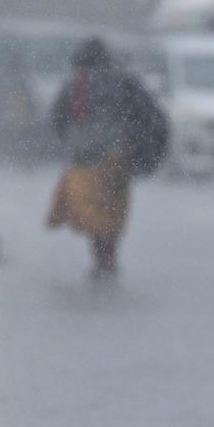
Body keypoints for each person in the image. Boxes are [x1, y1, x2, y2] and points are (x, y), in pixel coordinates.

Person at [47, 38, 163, 279]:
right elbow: (146, 115)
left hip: (84, 158)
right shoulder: (125, 83)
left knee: (92, 211)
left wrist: (73, 140)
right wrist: (139, 147)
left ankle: (101, 256)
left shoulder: (75, 84)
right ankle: (107, 255)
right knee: (111, 209)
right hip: (116, 156)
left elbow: (58, 118)